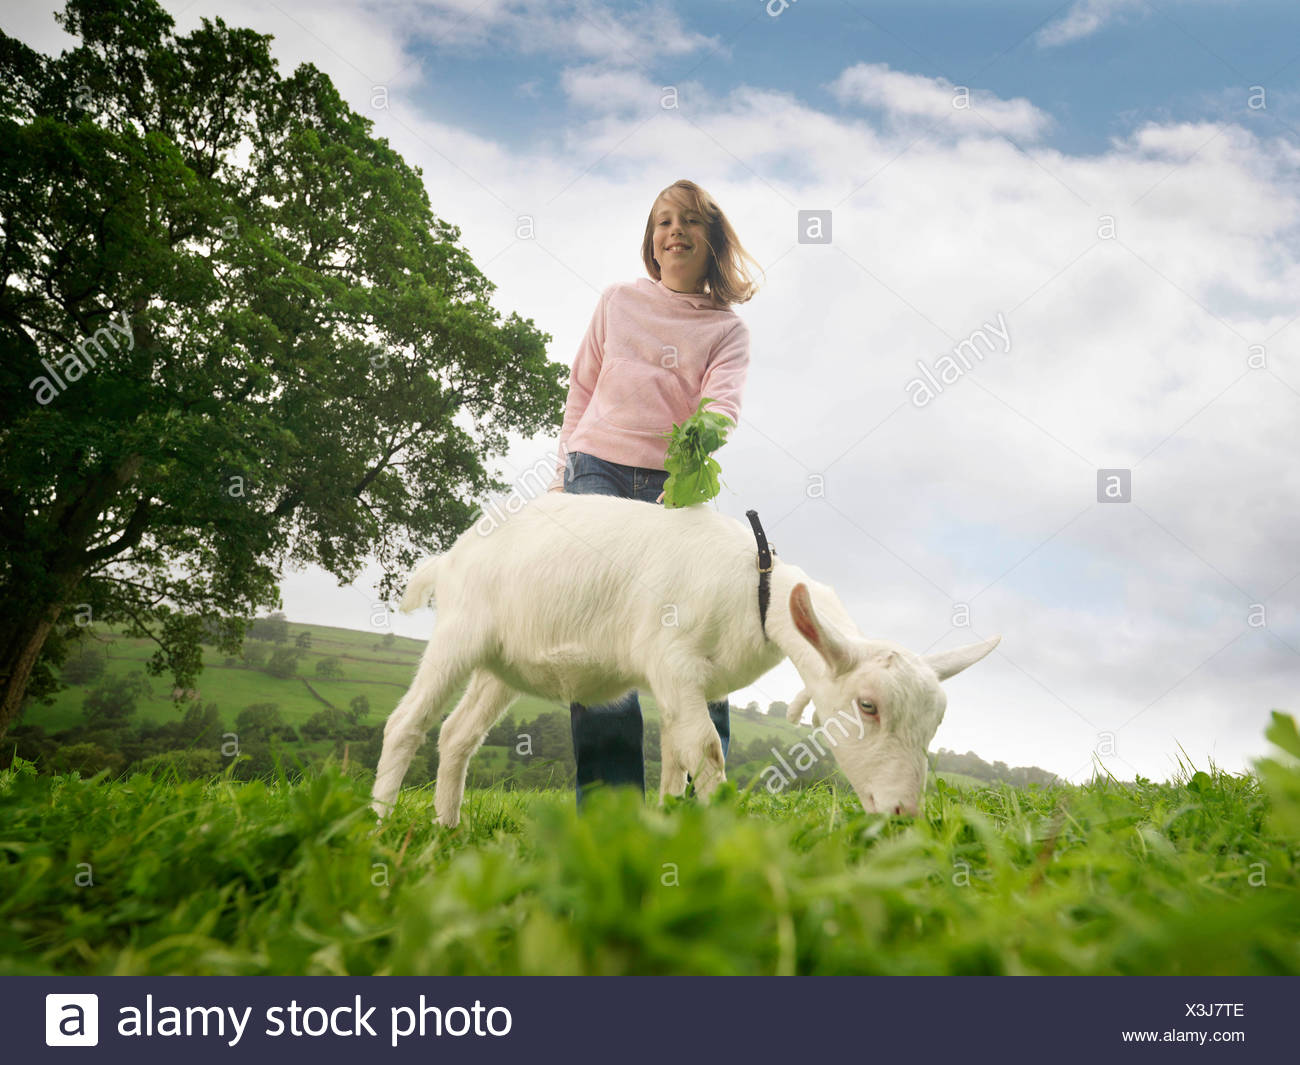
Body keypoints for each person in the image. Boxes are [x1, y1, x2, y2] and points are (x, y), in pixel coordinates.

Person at [546, 179, 765, 806]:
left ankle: (705, 799)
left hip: (675, 484)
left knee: (690, 632)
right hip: (597, 472)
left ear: (712, 239)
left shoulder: (727, 330)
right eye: (664, 221)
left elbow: (722, 404)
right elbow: (581, 390)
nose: (675, 231)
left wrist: (706, 434)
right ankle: (612, 813)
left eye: (690, 221)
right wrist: (564, 476)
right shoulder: (618, 302)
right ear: (652, 239)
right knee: (599, 641)